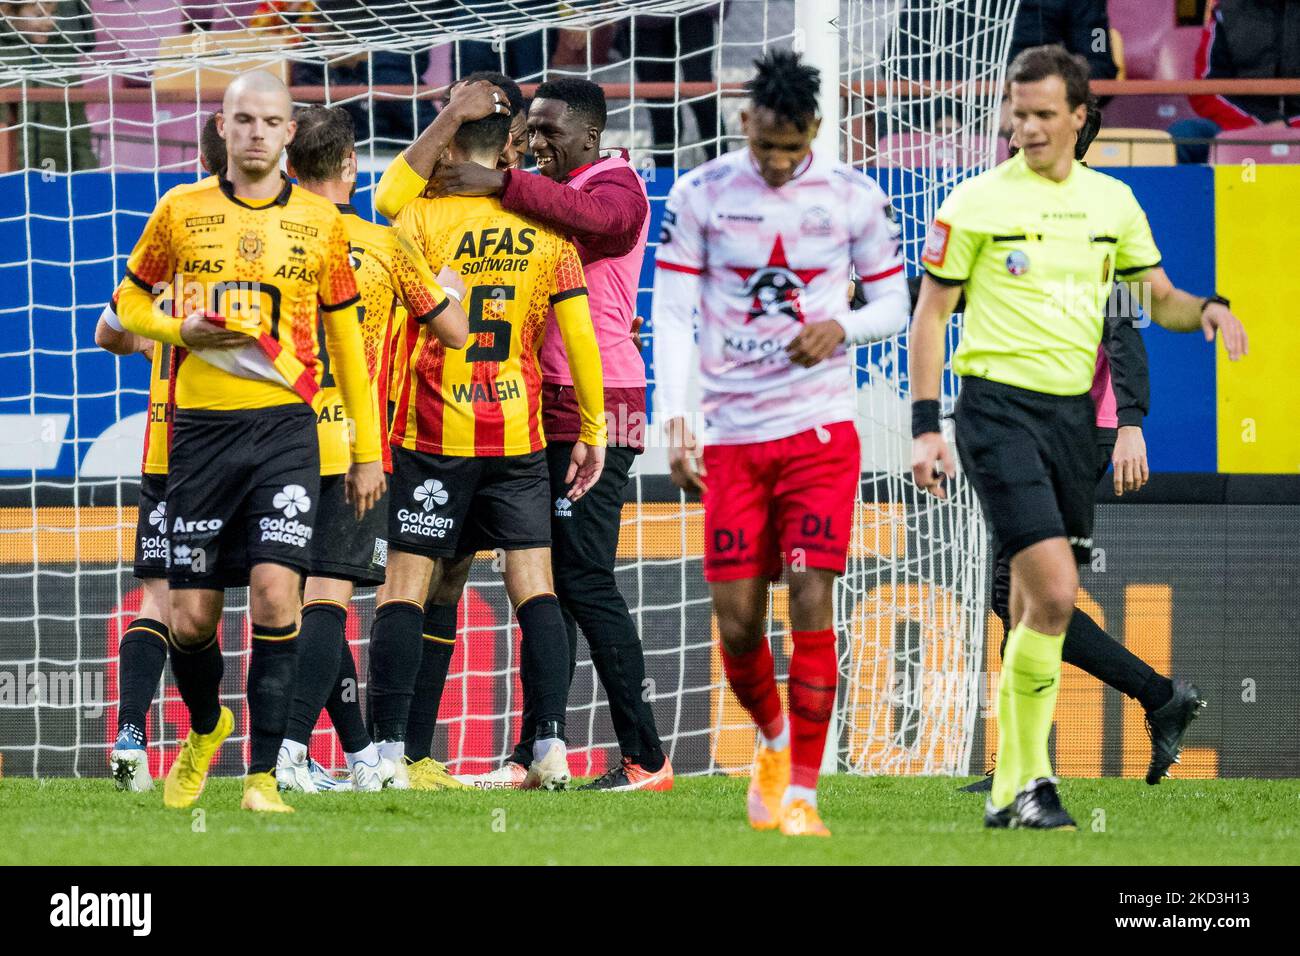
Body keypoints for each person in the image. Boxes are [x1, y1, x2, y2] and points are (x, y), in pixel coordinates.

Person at [911, 45, 1247, 829]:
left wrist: (1205, 308)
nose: (1022, 127)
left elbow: (1151, 300)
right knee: (1053, 593)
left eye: (1038, 114)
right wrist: (928, 427)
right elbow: (930, 315)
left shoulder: (1114, 206)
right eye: (1014, 113)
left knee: (1037, 607)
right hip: (997, 411)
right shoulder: (975, 203)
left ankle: (1009, 788)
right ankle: (1032, 786)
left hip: (1071, 421)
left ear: (1077, 117)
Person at [653, 50, 910, 836]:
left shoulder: (854, 199)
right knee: (734, 619)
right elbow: (669, 311)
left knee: (811, 596)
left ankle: (802, 791)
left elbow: (897, 304)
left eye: (791, 148)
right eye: (765, 144)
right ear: (744, 124)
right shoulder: (700, 194)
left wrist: (845, 324)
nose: (776, 162)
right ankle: (771, 739)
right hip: (732, 436)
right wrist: (677, 417)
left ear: (817, 133)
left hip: (819, 433)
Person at [115, 70, 385, 813]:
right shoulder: (180, 210)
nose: (258, 132)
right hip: (198, 436)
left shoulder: (321, 224)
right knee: (190, 618)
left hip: (285, 429)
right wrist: (178, 330)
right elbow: (128, 299)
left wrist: (368, 452)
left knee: (275, 593)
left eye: (271, 121)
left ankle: (263, 779)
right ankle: (208, 726)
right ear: (224, 127)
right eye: (245, 120)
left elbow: (346, 342)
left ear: (290, 133)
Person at [413, 77, 671, 792]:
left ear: (590, 136)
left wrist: (498, 184)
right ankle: (538, 751)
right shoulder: (529, 189)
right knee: (539, 584)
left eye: (553, 131)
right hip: (536, 403)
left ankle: (646, 758)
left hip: (604, 404)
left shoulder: (617, 183)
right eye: (532, 130)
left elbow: (602, 224)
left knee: (584, 577)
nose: (538, 143)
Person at [368, 103, 607, 792]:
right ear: (506, 151)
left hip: (431, 432)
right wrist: (592, 428)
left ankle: (388, 754)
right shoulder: (548, 228)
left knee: (406, 588)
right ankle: (551, 747)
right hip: (518, 433)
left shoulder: (414, 221)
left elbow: (389, 323)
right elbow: (581, 338)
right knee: (534, 585)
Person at [275, 105, 467, 794]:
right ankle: (289, 755)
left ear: (291, 167)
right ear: (352, 165)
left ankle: (355, 754)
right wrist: (453, 291)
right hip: (356, 444)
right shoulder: (386, 247)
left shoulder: (282, 239)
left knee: (290, 601)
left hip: (276, 438)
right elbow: (453, 331)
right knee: (330, 595)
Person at [97, 114, 228, 793]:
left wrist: (156, 338)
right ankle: (301, 754)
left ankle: (131, 737)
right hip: (252, 444)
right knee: (289, 595)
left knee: (163, 598)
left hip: (169, 448)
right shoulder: (267, 228)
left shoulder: (170, 228)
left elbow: (107, 331)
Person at [1172, 0, 1300, 164]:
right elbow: (1205, 89)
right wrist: (1257, 125)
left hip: (1296, 123)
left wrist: (1288, 126)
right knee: (1183, 137)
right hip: (1240, 124)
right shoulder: (1226, 11)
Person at [0, 1, 97, 170]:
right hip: (7, 164)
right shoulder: (4, 55)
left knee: (49, 191)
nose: (49, 21)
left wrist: (87, 171)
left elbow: (77, 121)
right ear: (9, 14)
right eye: (39, 15)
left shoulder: (63, 55)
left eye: (53, 14)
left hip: (51, 162)